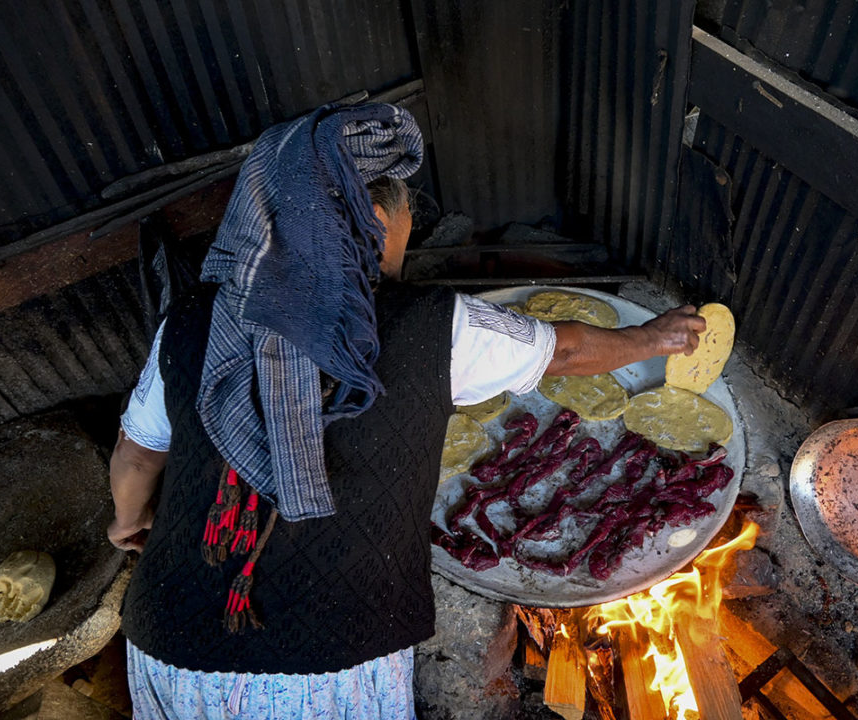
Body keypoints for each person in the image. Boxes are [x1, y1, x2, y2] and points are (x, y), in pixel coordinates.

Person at [108, 102, 705, 719]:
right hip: (323, 669)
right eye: (402, 213)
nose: (408, 229)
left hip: (165, 643)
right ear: (371, 219)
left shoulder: (188, 324)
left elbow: (135, 454)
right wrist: (655, 337)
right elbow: (568, 347)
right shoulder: (427, 328)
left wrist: (127, 522)